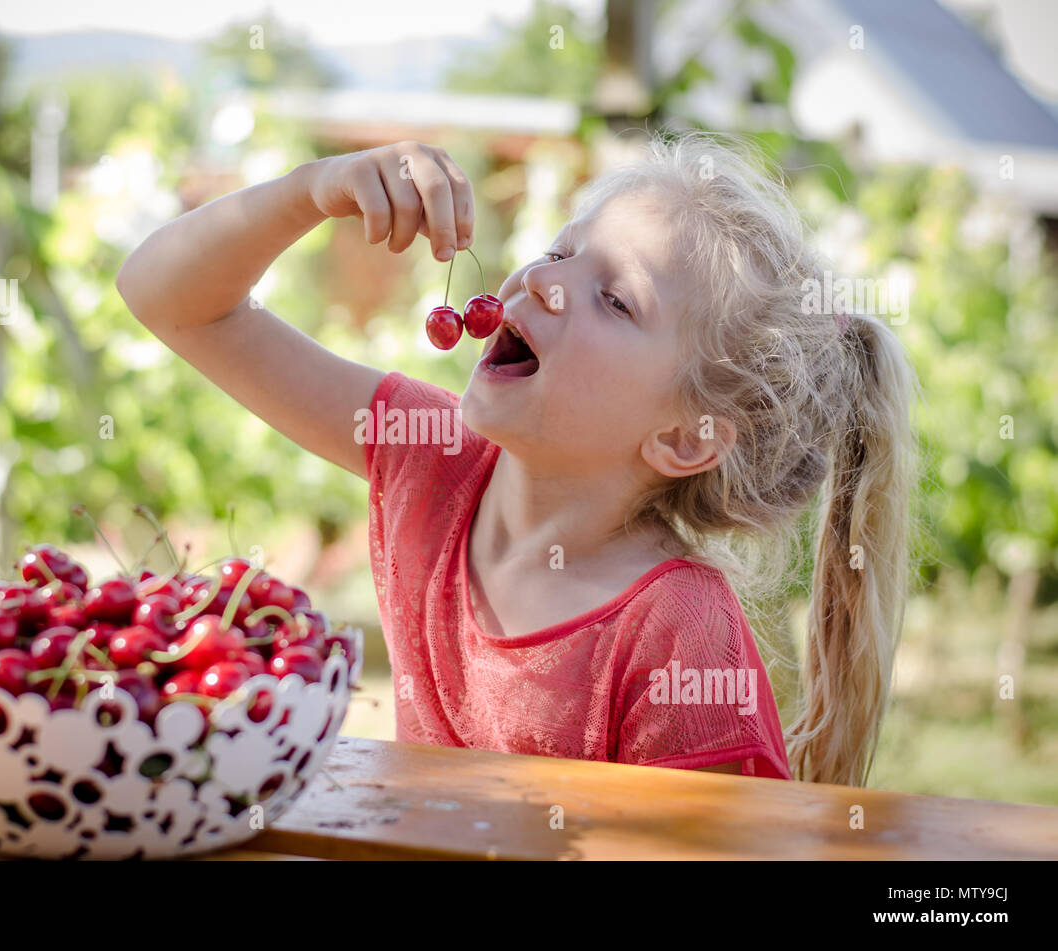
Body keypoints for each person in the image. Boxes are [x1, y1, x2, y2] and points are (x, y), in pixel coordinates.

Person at [117, 131, 917, 786]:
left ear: (685, 437)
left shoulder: (679, 632)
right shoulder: (426, 459)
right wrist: (313, 188)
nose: (543, 281)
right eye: (562, 251)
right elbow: (168, 297)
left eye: (615, 298)